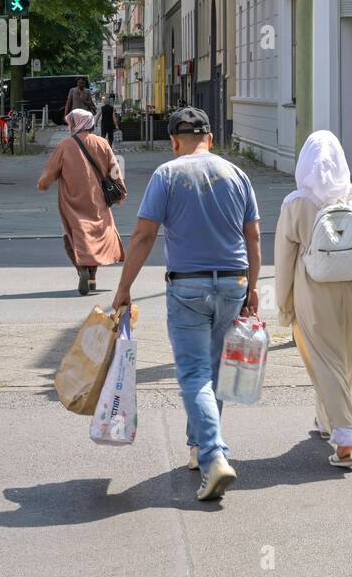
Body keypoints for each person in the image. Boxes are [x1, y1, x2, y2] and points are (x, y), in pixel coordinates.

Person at [112, 107, 260, 502]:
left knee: (194, 375)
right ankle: (198, 447)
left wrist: (124, 288)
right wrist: (254, 287)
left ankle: (214, 457)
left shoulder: (168, 174)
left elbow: (143, 236)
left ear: (174, 141)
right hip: (234, 283)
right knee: (215, 373)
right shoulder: (237, 175)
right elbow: (254, 237)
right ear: (211, 138)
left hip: (188, 288)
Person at [274, 131, 352, 469]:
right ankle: (326, 418)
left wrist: (283, 304)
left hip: (314, 289)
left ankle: (345, 435)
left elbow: (283, 260)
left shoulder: (295, 203)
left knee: (324, 359)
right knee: (347, 357)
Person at [37, 109, 126, 295]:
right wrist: (120, 191)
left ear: (75, 123)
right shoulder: (102, 143)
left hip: (71, 201)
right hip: (97, 200)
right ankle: (92, 276)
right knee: (97, 236)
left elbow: (49, 174)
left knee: (72, 236)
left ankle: (82, 269)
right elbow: (115, 169)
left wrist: (42, 185)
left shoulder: (65, 145)